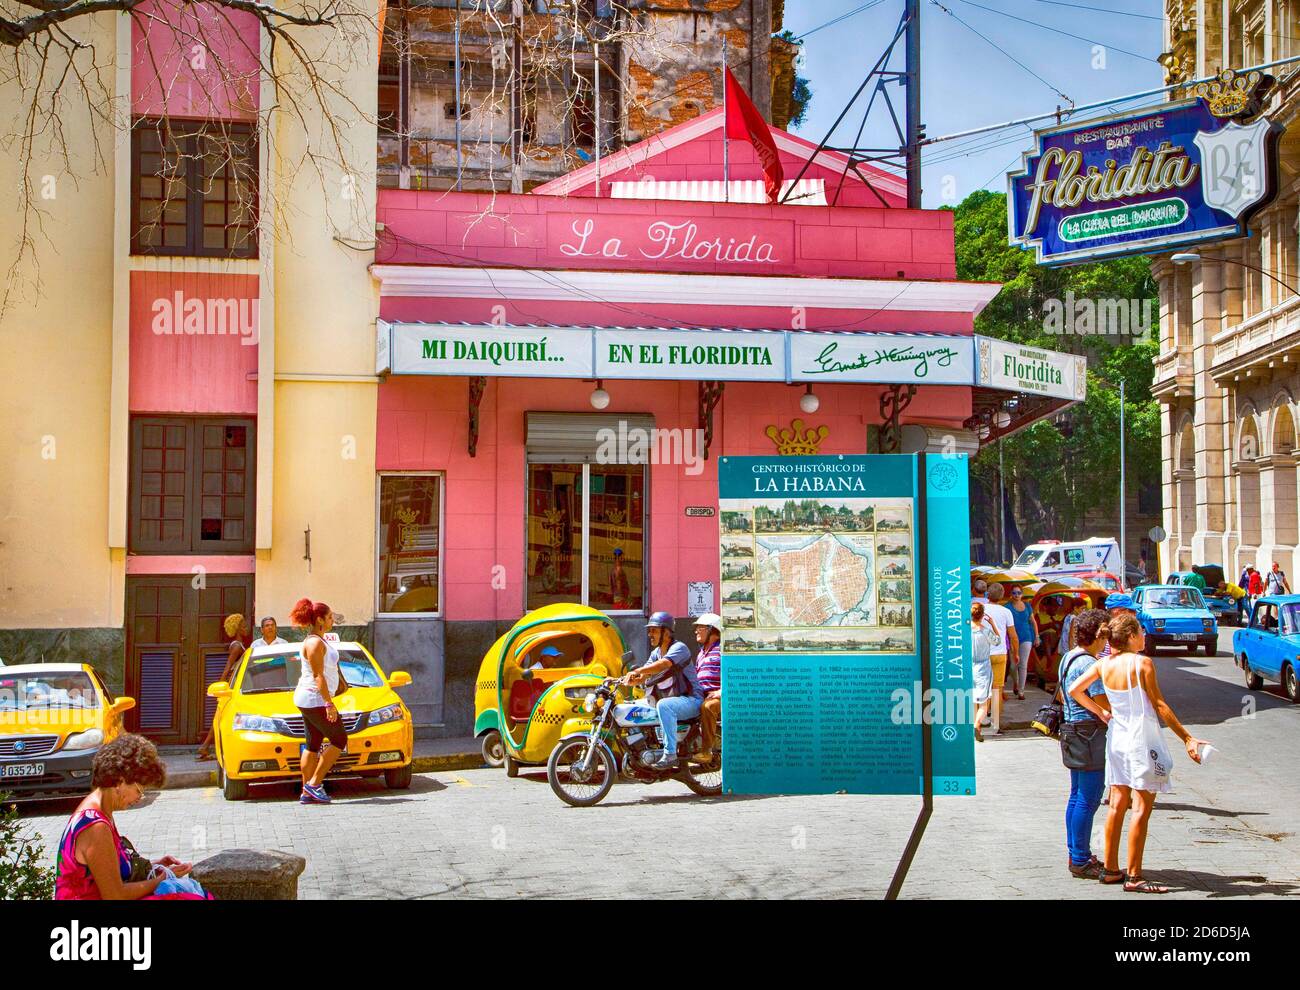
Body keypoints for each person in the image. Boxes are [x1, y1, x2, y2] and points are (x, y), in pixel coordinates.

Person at [1069, 613, 1209, 893]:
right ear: (1131, 635)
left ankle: (1110, 869)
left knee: (1118, 802)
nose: (1145, 637)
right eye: (1142, 632)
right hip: (1142, 739)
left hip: (1117, 738)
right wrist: (1187, 738)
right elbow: (1160, 705)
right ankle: (1134, 876)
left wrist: (1102, 713)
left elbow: (1074, 689)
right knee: (1141, 808)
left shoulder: (1103, 664)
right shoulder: (1142, 663)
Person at [56, 733, 206, 899]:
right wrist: (163, 878)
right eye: (139, 790)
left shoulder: (100, 812)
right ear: (120, 781)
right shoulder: (96, 826)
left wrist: (154, 866)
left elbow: (107, 869)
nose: (139, 798)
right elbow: (115, 895)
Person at [1057, 609, 1110, 878]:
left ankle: (1076, 853)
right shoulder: (1090, 663)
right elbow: (1101, 702)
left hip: (1073, 731)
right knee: (1088, 800)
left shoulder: (1069, 656)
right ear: (1099, 634)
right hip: (1089, 733)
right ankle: (1079, 858)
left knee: (1077, 796)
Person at [626, 611, 702, 770]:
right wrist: (624, 679)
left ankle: (670, 754)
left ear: (666, 632)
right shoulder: (656, 653)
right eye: (649, 630)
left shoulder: (679, 648)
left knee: (663, 705)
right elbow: (645, 674)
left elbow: (664, 665)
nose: (649, 634)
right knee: (633, 707)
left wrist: (639, 672)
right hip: (676, 701)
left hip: (692, 700)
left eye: (654, 630)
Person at [291, 598, 347, 804]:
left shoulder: (318, 640)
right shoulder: (314, 642)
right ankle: (314, 785)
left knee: (312, 744)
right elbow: (318, 675)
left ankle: (307, 792)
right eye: (330, 617)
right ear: (320, 620)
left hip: (310, 699)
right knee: (340, 740)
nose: (333, 620)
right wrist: (329, 703)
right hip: (314, 699)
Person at [197, 613, 251, 760]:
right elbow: (228, 667)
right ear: (238, 628)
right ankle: (205, 746)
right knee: (220, 716)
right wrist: (221, 687)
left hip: (233, 685)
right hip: (231, 686)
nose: (246, 628)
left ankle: (205, 746)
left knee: (220, 716)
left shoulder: (239, 645)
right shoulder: (236, 646)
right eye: (244, 626)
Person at [981, 583, 1019, 734]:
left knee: (982, 686)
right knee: (997, 688)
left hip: (982, 652)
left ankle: (981, 718)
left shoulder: (980, 609)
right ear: (1002, 596)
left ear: (987, 595)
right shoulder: (1006, 612)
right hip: (999, 653)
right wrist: (1016, 653)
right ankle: (995, 724)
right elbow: (1013, 636)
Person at [693, 613, 723, 763]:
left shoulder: (722, 650)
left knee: (708, 707)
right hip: (701, 695)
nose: (696, 631)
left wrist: (720, 692)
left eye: (700, 628)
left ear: (712, 630)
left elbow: (734, 674)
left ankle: (706, 751)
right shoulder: (701, 653)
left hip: (721, 698)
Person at [970, 602, 997, 742]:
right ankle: (977, 724)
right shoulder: (985, 630)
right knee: (984, 702)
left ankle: (972, 725)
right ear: (982, 615)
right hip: (983, 668)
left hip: (969, 666)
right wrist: (993, 624)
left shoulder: (966, 630)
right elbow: (997, 641)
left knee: (972, 698)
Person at [1007, 585, 1038, 701]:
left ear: (1022, 594)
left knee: (1023, 664)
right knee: (1013, 666)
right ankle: (1016, 683)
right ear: (1011, 594)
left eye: (1019, 593)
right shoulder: (1007, 607)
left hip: (1026, 637)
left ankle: (1021, 691)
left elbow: (1033, 622)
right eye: (1014, 593)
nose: (1017, 595)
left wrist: (1037, 636)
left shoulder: (1027, 606)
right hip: (1012, 637)